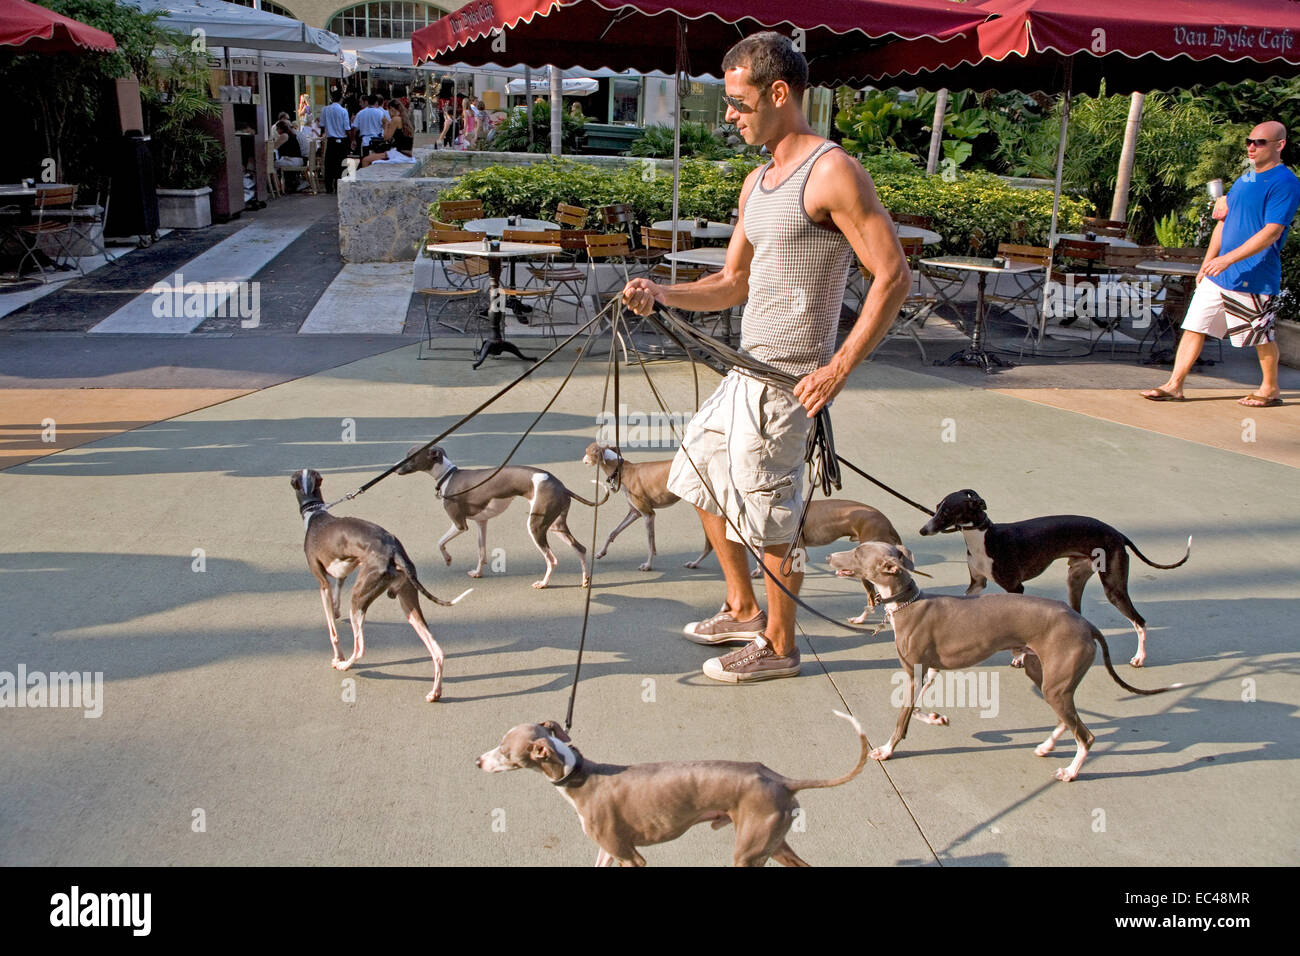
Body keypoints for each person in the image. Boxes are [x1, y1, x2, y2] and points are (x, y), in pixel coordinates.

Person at [621, 32, 910, 683]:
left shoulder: (832, 171)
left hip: (787, 385)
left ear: (779, 93)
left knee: (772, 517)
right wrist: (661, 292)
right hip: (743, 374)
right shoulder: (758, 181)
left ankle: (780, 649)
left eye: (738, 100)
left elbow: (893, 276)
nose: (729, 114)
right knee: (696, 467)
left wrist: (837, 369)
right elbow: (732, 282)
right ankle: (745, 606)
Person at [1140, 120, 1300, 407]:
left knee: (1259, 333)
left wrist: (1227, 259)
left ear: (1280, 145)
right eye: (1249, 141)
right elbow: (1223, 223)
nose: (1252, 147)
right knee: (1194, 326)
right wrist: (1208, 261)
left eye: (1260, 142)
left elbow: (1272, 231)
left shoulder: (1285, 182)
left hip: (1254, 273)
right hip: (1219, 273)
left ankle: (1270, 388)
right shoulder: (1245, 180)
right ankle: (1174, 385)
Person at [361, 102, 416, 167]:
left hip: (400, 154)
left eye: (388, 110)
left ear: (391, 109)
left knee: (365, 160)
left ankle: (366, 177)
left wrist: (386, 124)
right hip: (407, 153)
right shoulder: (404, 119)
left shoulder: (395, 119)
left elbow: (386, 137)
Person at [320, 88, 351, 193]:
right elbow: (347, 128)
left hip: (331, 140)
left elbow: (322, 125)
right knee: (341, 164)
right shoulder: (343, 111)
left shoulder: (325, 109)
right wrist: (350, 140)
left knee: (329, 164)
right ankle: (339, 186)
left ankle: (328, 187)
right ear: (341, 98)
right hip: (341, 141)